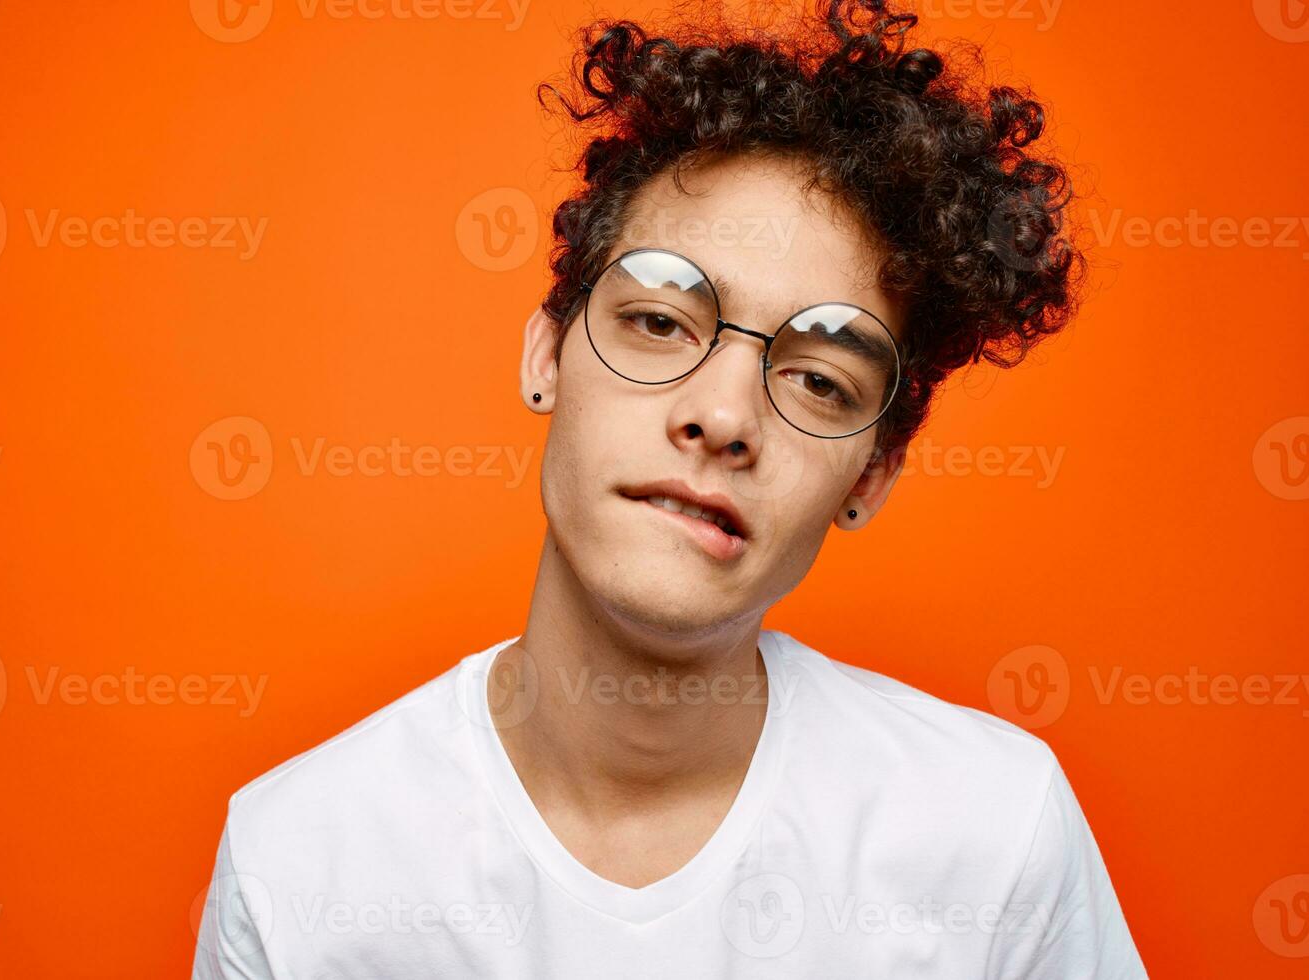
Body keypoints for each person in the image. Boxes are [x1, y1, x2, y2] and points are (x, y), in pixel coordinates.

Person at [193, 2, 1147, 976]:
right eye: (658, 320)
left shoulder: (989, 834)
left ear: (869, 474)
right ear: (546, 353)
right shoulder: (298, 859)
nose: (723, 417)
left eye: (819, 381)